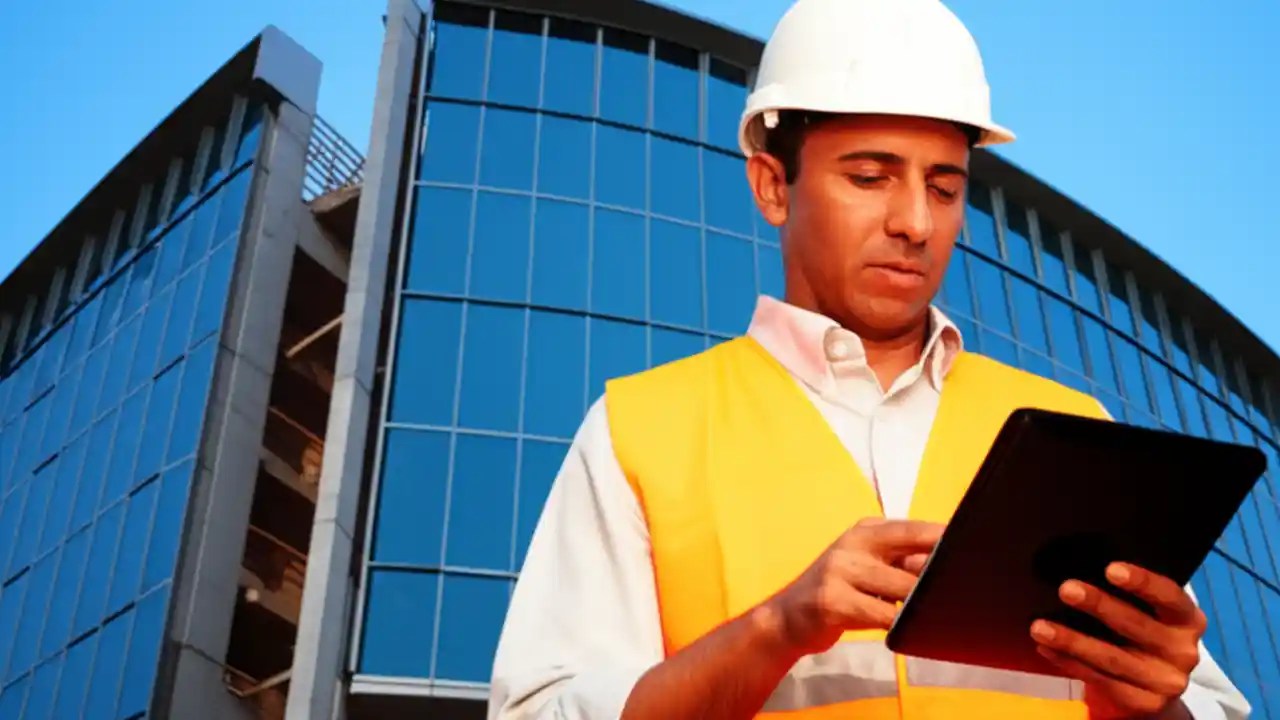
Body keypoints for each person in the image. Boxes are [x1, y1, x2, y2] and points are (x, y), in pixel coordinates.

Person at [487, 0, 1252, 718]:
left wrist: (1162, 700)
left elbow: (1199, 704)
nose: (916, 222)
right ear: (771, 186)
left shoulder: (1070, 428)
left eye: (944, 188)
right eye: (869, 177)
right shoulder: (641, 430)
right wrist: (778, 626)